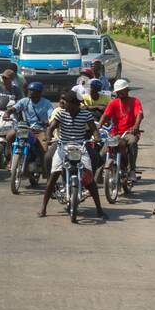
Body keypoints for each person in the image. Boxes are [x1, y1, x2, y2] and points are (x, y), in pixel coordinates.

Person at [38, 90, 105, 220]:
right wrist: (49, 136)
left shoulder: (86, 114)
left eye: (67, 102)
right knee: (54, 175)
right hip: (63, 145)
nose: (64, 104)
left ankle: (99, 210)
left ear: (74, 104)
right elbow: (51, 128)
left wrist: (97, 137)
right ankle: (43, 208)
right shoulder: (61, 114)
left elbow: (93, 129)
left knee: (89, 177)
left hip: (80, 146)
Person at [99, 79, 143, 181]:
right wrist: (99, 126)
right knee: (102, 153)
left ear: (127, 90)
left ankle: (132, 170)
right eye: (118, 91)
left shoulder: (135, 101)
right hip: (115, 133)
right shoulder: (113, 103)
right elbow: (105, 115)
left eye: (122, 90)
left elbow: (139, 114)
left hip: (130, 132)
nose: (120, 93)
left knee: (132, 143)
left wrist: (136, 126)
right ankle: (101, 173)